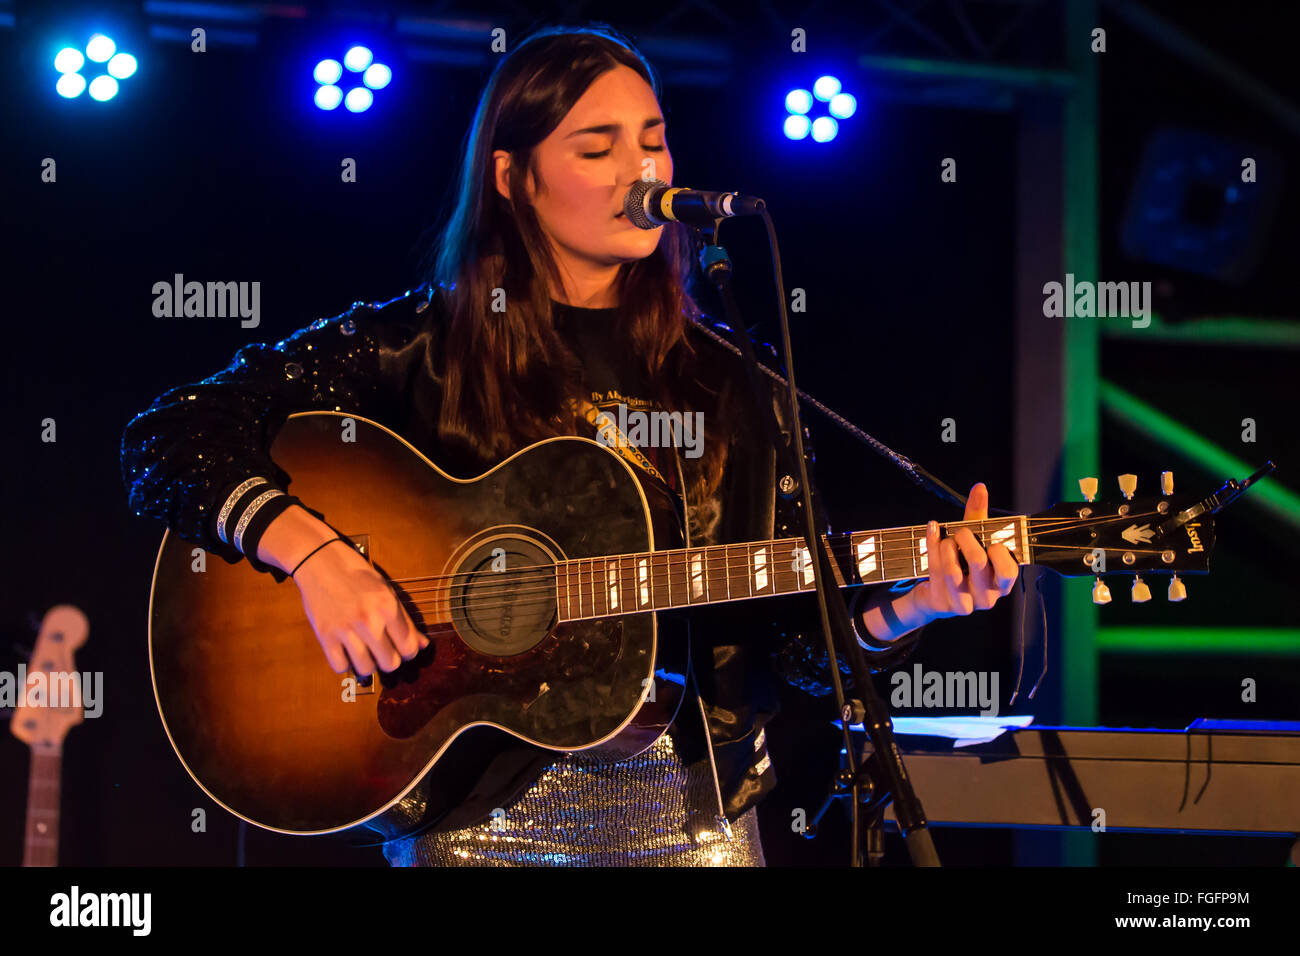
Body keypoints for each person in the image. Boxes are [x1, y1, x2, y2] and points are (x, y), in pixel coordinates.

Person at [120, 24, 1019, 867]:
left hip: (692, 823)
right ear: (512, 178)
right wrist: (317, 557)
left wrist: (915, 606)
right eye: (598, 148)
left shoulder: (730, 377)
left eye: (654, 139)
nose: (643, 168)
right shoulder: (418, 348)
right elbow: (169, 436)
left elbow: (787, 647)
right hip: (479, 821)